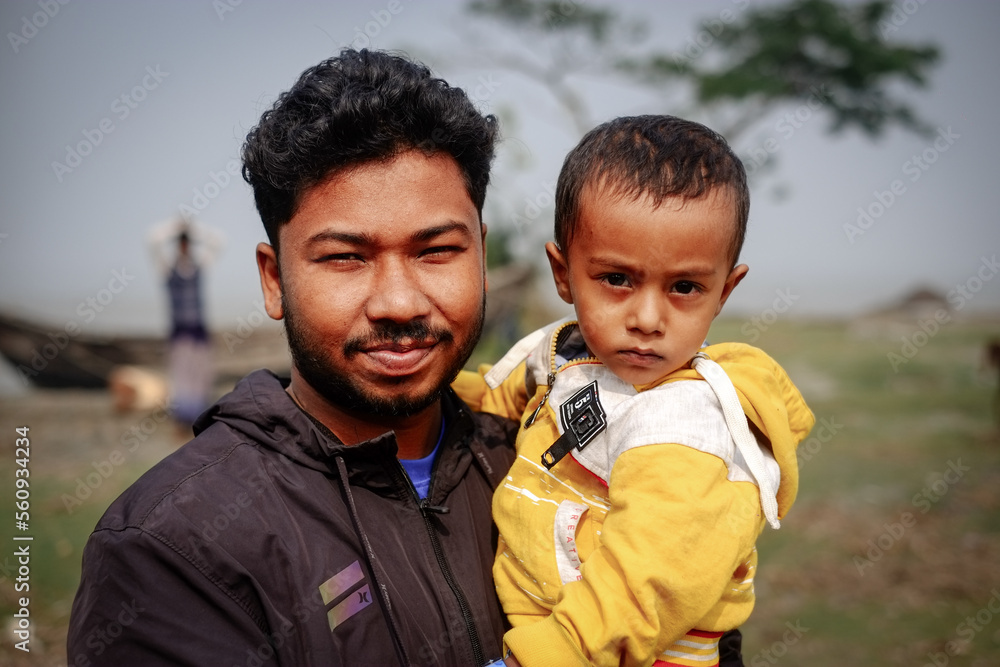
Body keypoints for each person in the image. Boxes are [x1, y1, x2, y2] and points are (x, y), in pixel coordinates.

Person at [67, 49, 517, 666]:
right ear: (274, 280)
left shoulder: (542, 463)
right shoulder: (173, 547)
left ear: (481, 255)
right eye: (345, 258)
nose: (397, 302)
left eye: (436, 250)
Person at [454, 115, 815, 667]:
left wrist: (548, 655)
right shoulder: (564, 353)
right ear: (563, 273)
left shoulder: (688, 423)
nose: (647, 318)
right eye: (617, 279)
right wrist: (428, 386)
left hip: (627, 650)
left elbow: (648, 577)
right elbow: (494, 398)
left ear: (725, 291)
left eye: (685, 287)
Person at [147, 215, 224, 427]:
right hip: (179, 333)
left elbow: (218, 242)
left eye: (186, 243)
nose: (184, 248)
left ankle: (199, 417)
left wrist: (194, 230)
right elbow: (152, 240)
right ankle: (182, 418)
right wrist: (174, 227)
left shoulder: (198, 268)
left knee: (201, 375)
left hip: (199, 331)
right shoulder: (167, 270)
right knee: (181, 375)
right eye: (181, 244)